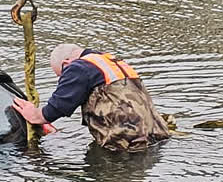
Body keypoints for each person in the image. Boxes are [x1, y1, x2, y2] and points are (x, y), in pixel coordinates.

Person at [12, 44, 170, 152]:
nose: (63, 80)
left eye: (61, 75)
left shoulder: (78, 68)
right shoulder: (111, 61)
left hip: (127, 144)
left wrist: (35, 115)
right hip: (156, 134)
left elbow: (57, 107)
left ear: (66, 64)